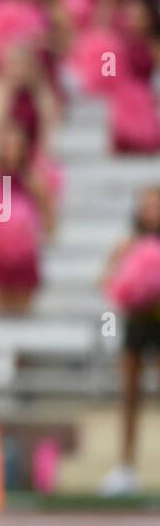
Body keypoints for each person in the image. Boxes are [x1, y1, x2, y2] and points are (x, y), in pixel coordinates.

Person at [100, 186, 160, 495]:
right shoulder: (128, 244)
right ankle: (125, 467)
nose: (152, 211)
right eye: (147, 205)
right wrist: (132, 287)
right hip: (136, 324)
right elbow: (107, 282)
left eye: (157, 205)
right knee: (131, 396)